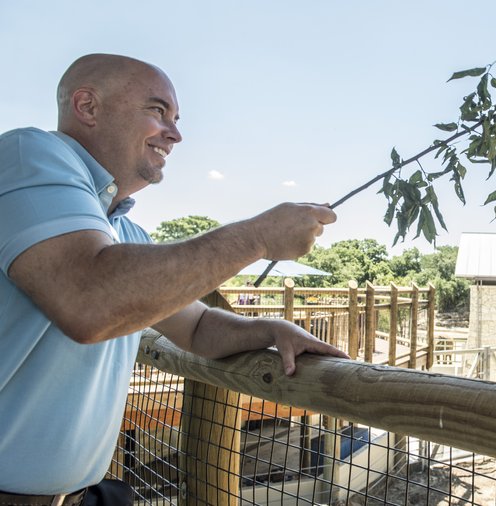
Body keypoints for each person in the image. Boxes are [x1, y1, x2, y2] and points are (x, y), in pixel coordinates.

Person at [0, 54, 349, 503]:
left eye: (177, 118)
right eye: (156, 111)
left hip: (82, 494)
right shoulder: (27, 156)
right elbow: (87, 301)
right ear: (87, 106)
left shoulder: (125, 233)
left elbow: (198, 326)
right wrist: (257, 237)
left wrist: (272, 329)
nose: (176, 133)